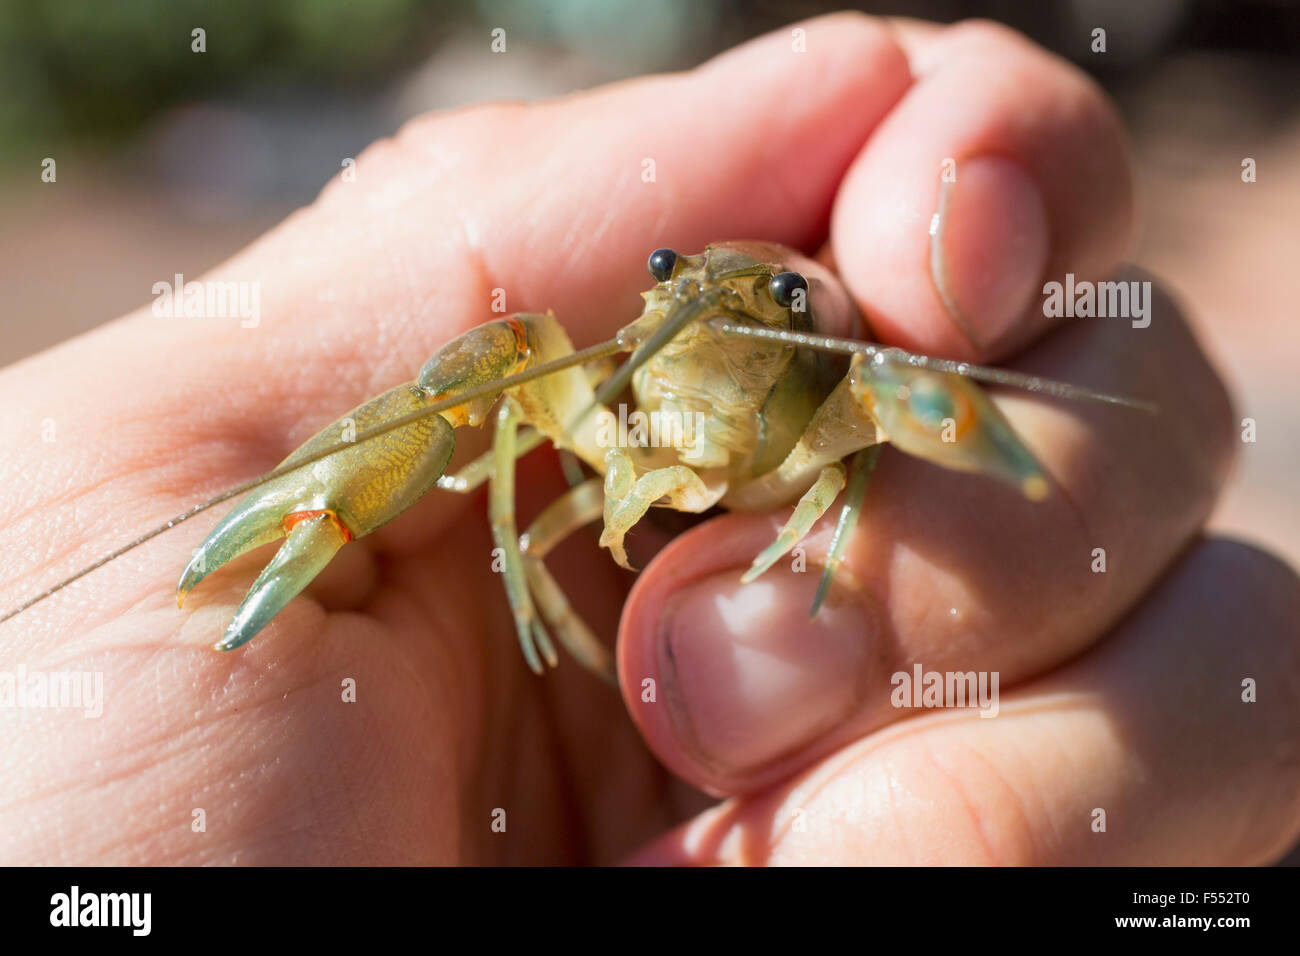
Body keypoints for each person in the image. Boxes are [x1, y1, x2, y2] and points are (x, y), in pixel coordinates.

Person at [1, 14, 1296, 865]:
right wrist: (500, 544)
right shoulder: (619, 353)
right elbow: (494, 400)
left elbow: (879, 431)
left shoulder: (848, 378)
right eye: (677, 283)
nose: (701, 317)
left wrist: (932, 489)